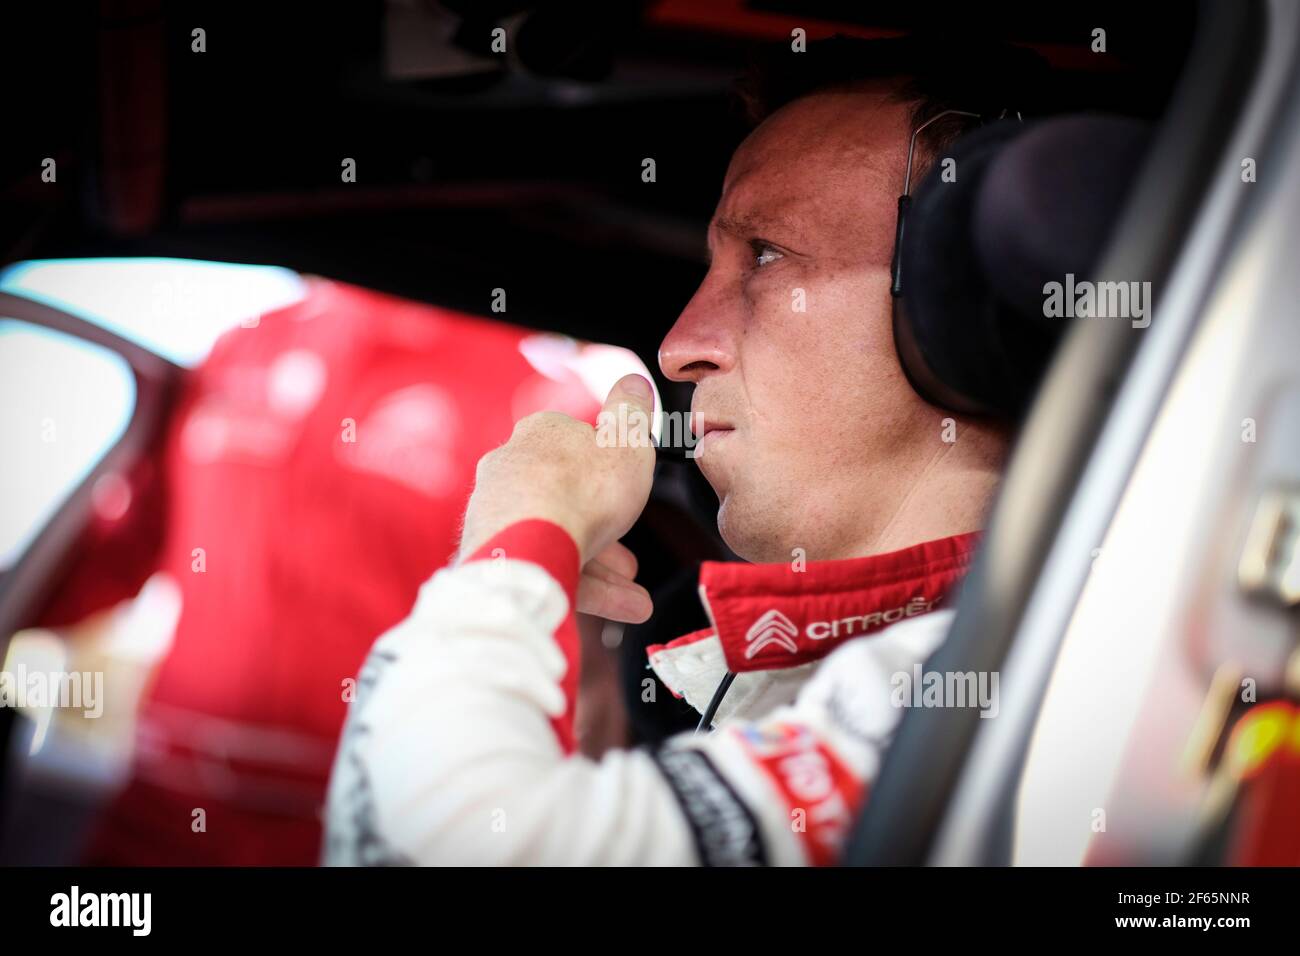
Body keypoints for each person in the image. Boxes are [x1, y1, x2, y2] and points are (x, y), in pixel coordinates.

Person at [323, 36, 1025, 866]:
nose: (678, 346)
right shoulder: (850, 678)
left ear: (960, 311)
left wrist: (518, 538)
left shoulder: (1001, 686)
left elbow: (440, 848)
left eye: (768, 255)